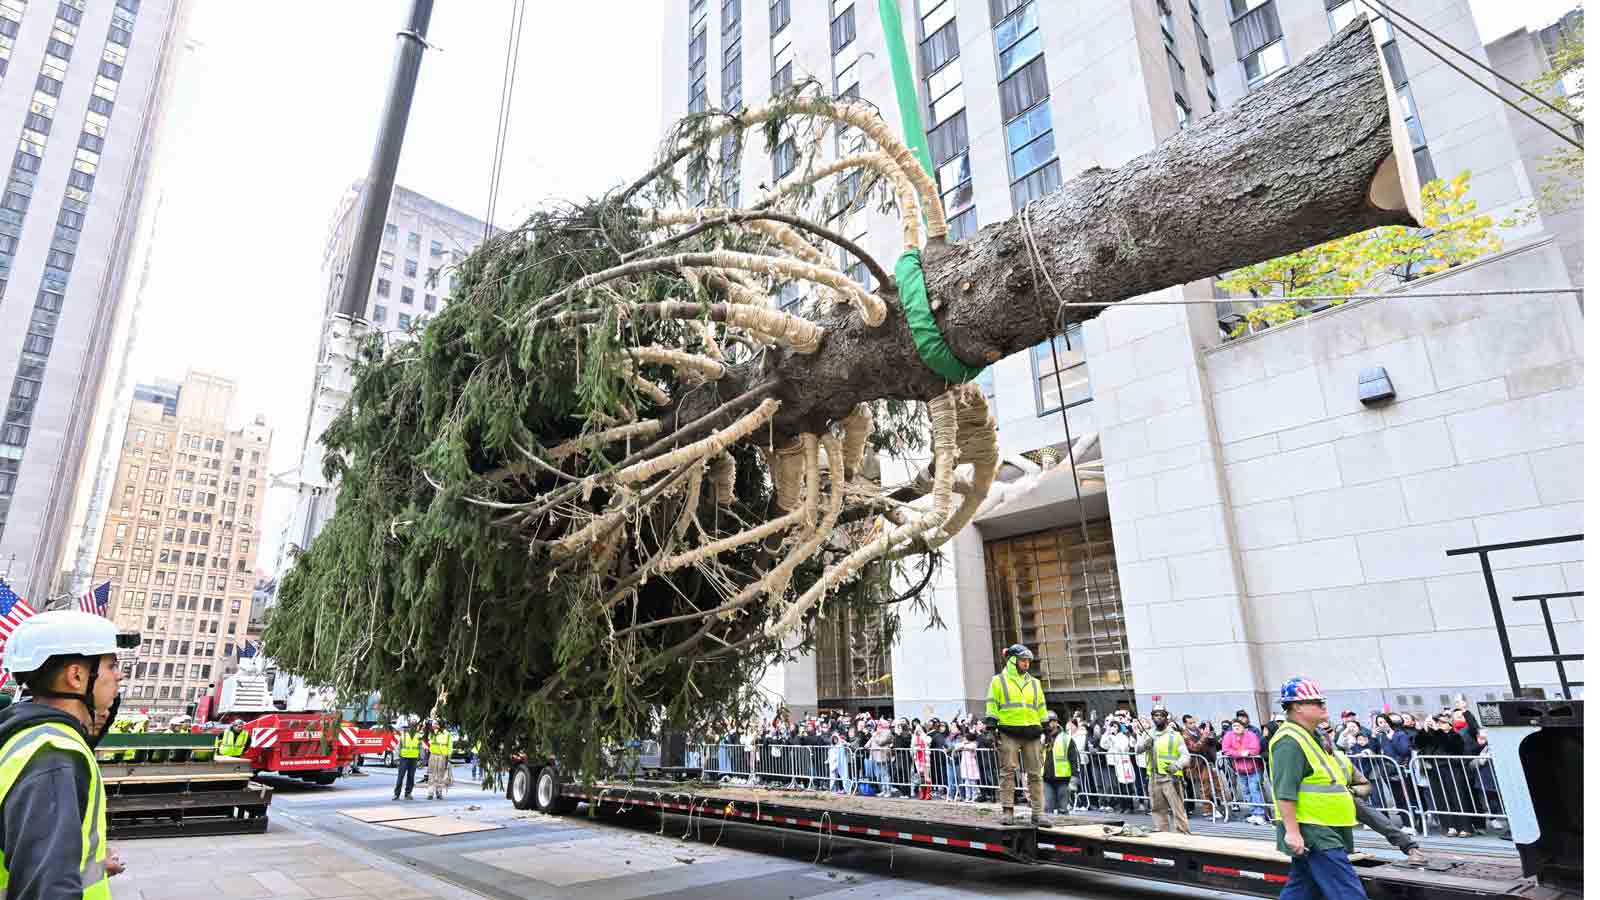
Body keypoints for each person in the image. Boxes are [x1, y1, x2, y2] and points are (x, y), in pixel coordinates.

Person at [0, 609, 139, 897]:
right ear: (76, 676)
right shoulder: (53, 754)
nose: (120, 675)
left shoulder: (27, 738)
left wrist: (96, 865)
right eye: (111, 665)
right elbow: (47, 889)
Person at [1268, 677, 1364, 900]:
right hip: (1314, 830)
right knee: (1347, 892)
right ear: (1297, 707)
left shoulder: (1310, 736)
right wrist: (1292, 833)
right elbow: (1284, 791)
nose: (1323, 706)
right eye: (1316, 702)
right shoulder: (1289, 740)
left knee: (1302, 889)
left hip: (1322, 826)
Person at [1320, 726, 1427, 865]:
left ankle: (1410, 847)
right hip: (1317, 805)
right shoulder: (1305, 759)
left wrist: (1352, 792)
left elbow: (1365, 785)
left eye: (1325, 738)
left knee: (1378, 819)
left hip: (1344, 799)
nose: (1323, 742)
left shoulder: (1340, 758)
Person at [985, 644, 1049, 826]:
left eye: (1028, 660)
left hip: (1032, 732)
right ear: (1013, 661)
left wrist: (1046, 728)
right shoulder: (998, 681)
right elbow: (992, 705)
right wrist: (991, 728)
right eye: (1023, 660)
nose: (1027, 664)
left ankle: (1038, 813)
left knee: (1036, 774)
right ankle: (1007, 811)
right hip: (1008, 731)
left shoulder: (1035, 683)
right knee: (1008, 772)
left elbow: (1041, 707)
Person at [1134, 704, 1191, 833]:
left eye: (1161, 715)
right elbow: (1137, 750)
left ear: (1166, 717)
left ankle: (1183, 836)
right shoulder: (1148, 734)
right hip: (1153, 777)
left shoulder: (1175, 735)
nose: (1158, 717)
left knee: (1178, 810)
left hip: (1171, 778)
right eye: (1155, 715)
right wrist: (1144, 745)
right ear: (1152, 717)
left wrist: (1177, 765)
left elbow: (1186, 756)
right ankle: (1162, 836)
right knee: (1157, 809)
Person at [1222, 718, 1269, 824]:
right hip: (1240, 769)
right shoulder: (1229, 736)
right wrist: (1241, 753)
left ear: (1244, 727)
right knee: (1246, 792)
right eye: (1234, 726)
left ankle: (1260, 814)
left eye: (1238, 726)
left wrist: (1242, 753)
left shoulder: (1251, 735)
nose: (1236, 728)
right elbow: (1226, 750)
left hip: (1254, 768)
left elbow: (1254, 749)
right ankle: (1253, 813)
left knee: (1255, 790)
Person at [1042, 712, 1074, 815]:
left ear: (1056, 722)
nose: (1046, 725)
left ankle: (1064, 828)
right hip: (1046, 778)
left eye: (1049, 722)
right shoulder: (1043, 738)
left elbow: (1074, 759)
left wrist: (1074, 779)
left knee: (1063, 809)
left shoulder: (1066, 738)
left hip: (1063, 779)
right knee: (1047, 808)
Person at [393, 719, 422, 800]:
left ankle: (408, 794)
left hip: (413, 759)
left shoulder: (418, 736)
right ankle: (396, 794)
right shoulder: (404, 735)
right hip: (404, 759)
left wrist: (421, 760)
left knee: (411, 777)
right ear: (409, 726)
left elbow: (421, 748)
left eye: (414, 725)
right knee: (400, 777)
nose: (413, 727)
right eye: (412, 725)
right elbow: (398, 747)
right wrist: (396, 758)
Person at [426, 721, 453, 800]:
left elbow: (450, 745)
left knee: (440, 775)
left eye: (436, 724)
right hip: (433, 755)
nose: (434, 726)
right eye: (433, 725)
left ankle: (439, 792)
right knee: (431, 774)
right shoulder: (432, 732)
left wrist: (449, 756)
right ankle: (430, 792)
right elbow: (428, 741)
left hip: (442, 756)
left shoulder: (447, 733)